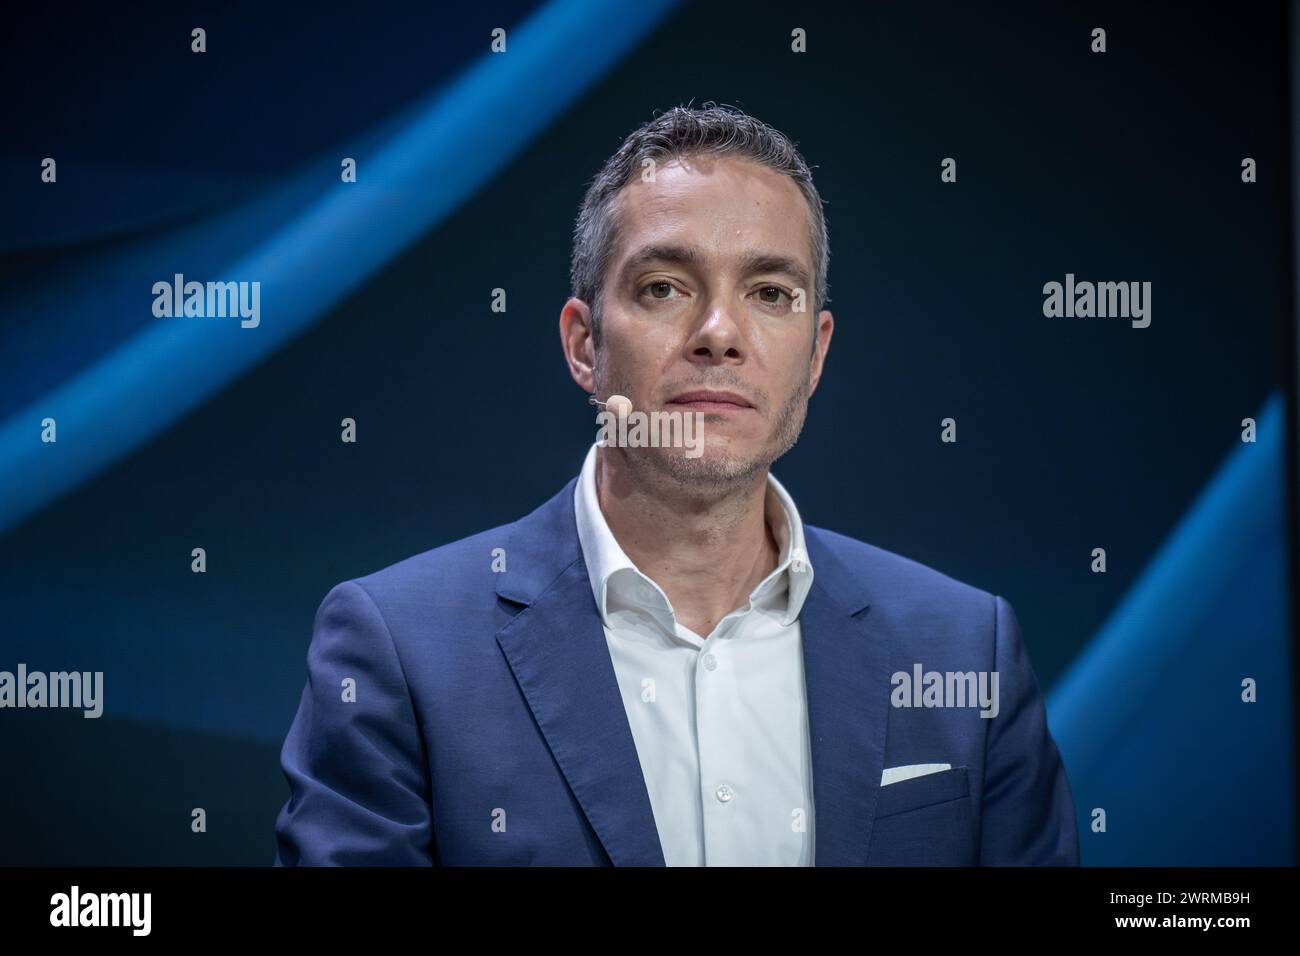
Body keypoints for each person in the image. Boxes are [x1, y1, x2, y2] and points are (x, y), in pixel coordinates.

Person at [274, 104, 1079, 866]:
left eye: (770, 294)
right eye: (664, 287)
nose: (720, 335)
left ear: (818, 353)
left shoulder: (967, 647)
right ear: (584, 344)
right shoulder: (400, 650)